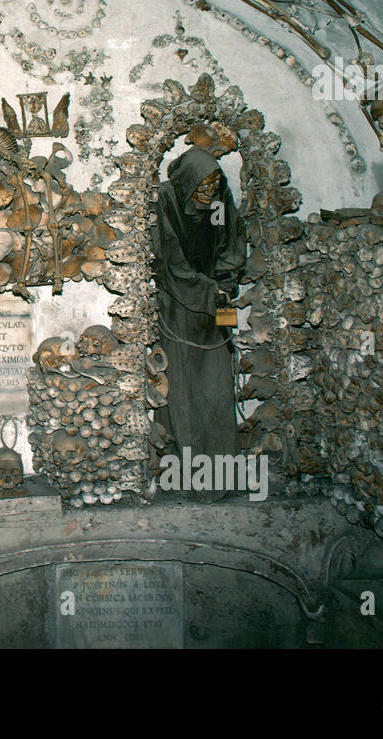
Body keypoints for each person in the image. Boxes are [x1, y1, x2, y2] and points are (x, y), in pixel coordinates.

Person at [151, 140, 247, 501]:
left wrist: (224, 284)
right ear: (187, 183)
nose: (209, 193)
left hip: (213, 306)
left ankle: (222, 476)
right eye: (202, 186)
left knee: (217, 387)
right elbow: (170, 259)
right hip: (178, 306)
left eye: (213, 185)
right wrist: (206, 291)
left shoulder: (218, 203)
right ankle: (185, 476)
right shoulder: (166, 201)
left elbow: (230, 242)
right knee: (182, 390)